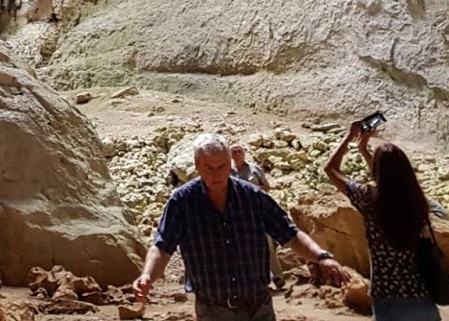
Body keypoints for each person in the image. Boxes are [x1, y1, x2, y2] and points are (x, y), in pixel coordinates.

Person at [136, 133, 349, 320]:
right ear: (197, 165)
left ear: (229, 164)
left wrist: (322, 256)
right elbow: (163, 248)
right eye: (208, 168)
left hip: (259, 308)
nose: (216, 174)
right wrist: (147, 276)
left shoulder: (253, 197)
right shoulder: (182, 202)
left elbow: (290, 234)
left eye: (221, 167)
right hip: (213, 311)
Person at [326, 121, 442, 321]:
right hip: (422, 293)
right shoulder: (416, 199)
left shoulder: (369, 199)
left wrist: (350, 137)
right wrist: (364, 150)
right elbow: (393, 178)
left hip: (388, 295)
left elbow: (331, 169)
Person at [230, 143, 284, 289]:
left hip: (258, 211)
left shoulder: (255, 169)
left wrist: (252, 189)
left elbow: (267, 187)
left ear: (244, 152)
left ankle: (277, 276)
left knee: (266, 244)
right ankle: (256, 281)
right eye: (234, 152)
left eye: (239, 151)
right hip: (237, 215)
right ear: (230, 155)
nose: (237, 154)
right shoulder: (228, 172)